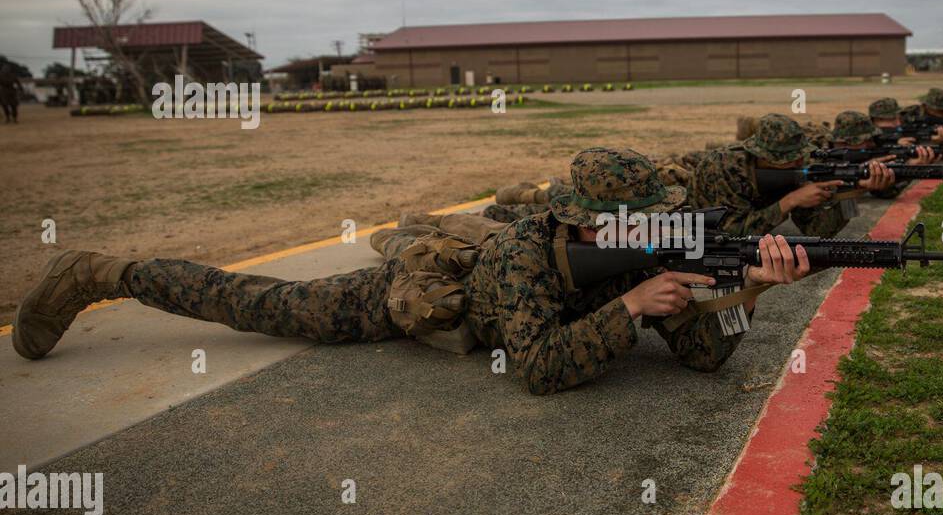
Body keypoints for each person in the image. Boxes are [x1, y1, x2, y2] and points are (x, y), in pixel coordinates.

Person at [12, 148, 812, 395]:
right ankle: (100, 270)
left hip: (491, 270)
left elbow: (706, 355)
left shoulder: (645, 249)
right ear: (587, 220)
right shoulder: (526, 253)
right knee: (261, 303)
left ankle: (407, 234)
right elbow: (534, 368)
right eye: (643, 217)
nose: (658, 226)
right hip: (432, 299)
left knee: (410, 238)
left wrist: (748, 293)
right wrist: (630, 307)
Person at [687, 113, 894, 237]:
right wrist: (789, 202)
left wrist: (853, 191)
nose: (799, 162)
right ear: (763, 157)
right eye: (789, 158)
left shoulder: (796, 169)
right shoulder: (723, 168)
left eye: (799, 156)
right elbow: (731, 235)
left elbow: (817, 231)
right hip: (694, 219)